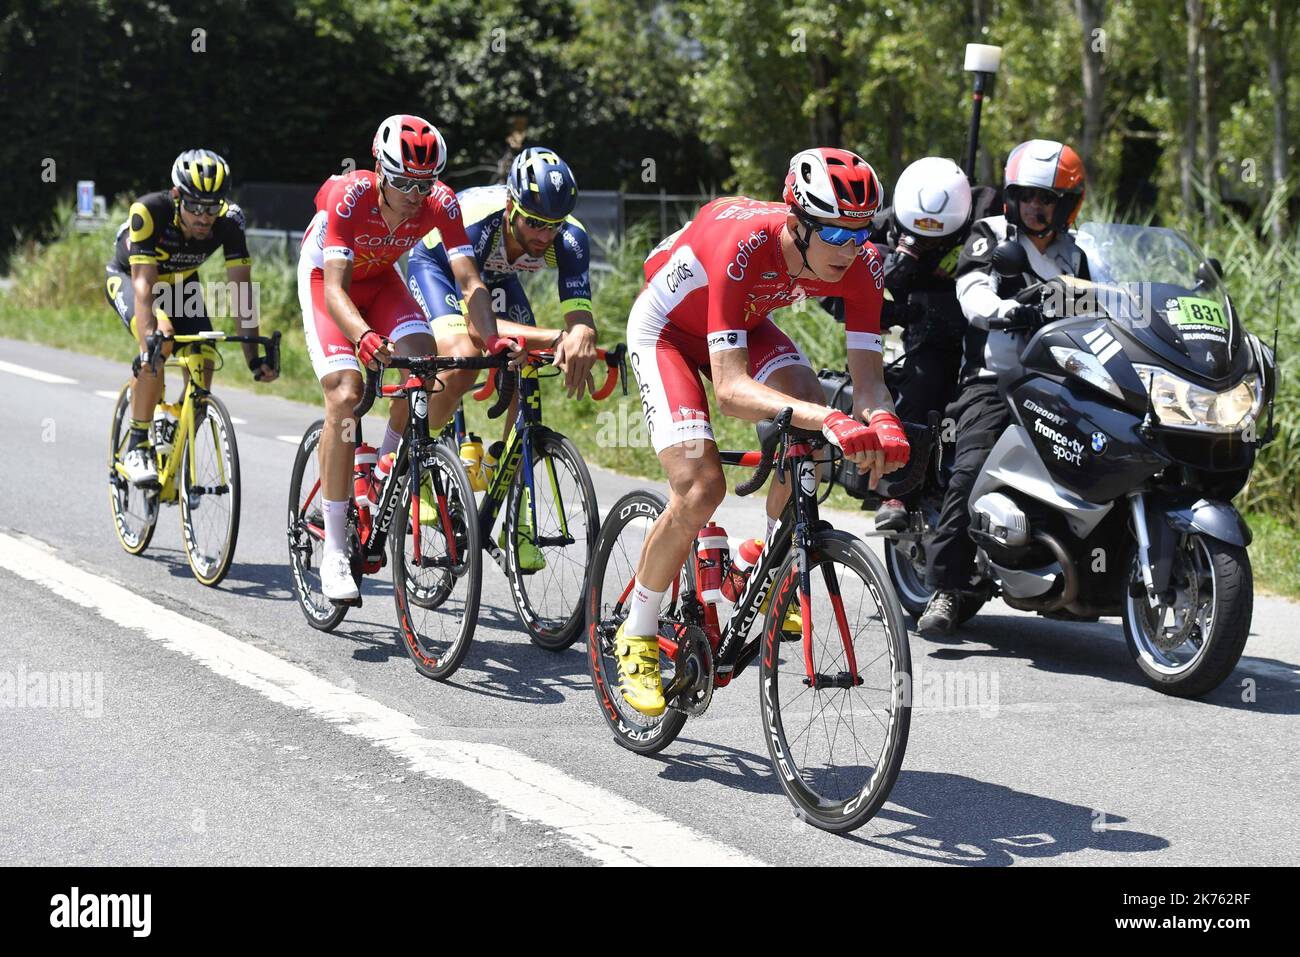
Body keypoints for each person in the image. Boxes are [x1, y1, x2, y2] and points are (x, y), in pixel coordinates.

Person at [614, 147, 911, 716]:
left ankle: (768, 558)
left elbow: (869, 384)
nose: (852, 252)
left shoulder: (864, 264)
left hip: (743, 325)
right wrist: (830, 419)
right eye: (838, 237)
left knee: (816, 424)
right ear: (799, 224)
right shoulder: (744, 244)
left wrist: (885, 423)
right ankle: (638, 631)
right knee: (702, 487)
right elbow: (729, 389)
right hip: (667, 331)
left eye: (862, 234)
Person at [298, 114, 520, 601]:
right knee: (346, 391)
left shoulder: (439, 201)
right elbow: (335, 289)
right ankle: (335, 547)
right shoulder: (349, 195)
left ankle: (384, 466)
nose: (413, 195)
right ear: (379, 169)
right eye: (401, 182)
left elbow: (469, 281)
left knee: (427, 363)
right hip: (327, 284)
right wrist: (361, 338)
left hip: (380, 281)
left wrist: (492, 337)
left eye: (423, 183)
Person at [918, 139, 1089, 636]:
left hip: (1063, 379)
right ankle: (948, 586)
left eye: (1048, 198)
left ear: (1065, 204)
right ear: (1013, 197)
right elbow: (972, 293)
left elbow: (1110, 303)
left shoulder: (1077, 253)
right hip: (998, 382)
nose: (1037, 207)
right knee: (971, 471)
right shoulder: (990, 233)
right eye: (1027, 196)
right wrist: (1008, 310)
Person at [406, 147, 599, 569]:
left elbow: (580, 315)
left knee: (525, 370)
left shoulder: (570, 239)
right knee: (461, 358)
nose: (544, 236)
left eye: (553, 226)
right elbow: (480, 328)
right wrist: (556, 336)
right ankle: (418, 466)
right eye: (533, 222)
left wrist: (582, 334)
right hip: (439, 266)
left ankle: (516, 508)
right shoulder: (481, 220)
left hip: (498, 276)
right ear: (512, 205)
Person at [105, 149, 277, 486]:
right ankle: (138, 443)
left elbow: (241, 291)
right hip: (132, 278)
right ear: (176, 196)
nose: (203, 216)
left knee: (204, 355)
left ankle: (174, 426)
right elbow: (144, 284)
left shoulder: (230, 223)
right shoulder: (149, 211)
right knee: (162, 339)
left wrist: (254, 358)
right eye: (195, 206)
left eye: (211, 207)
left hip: (182, 282)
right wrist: (148, 345)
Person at [862, 157, 999, 531]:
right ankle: (896, 493)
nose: (929, 244)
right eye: (921, 236)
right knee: (921, 386)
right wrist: (898, 312)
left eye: (939, 239)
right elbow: (834, 291)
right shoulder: (878, 228)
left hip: (990, 326)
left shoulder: (992, 212)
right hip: (927, 330)